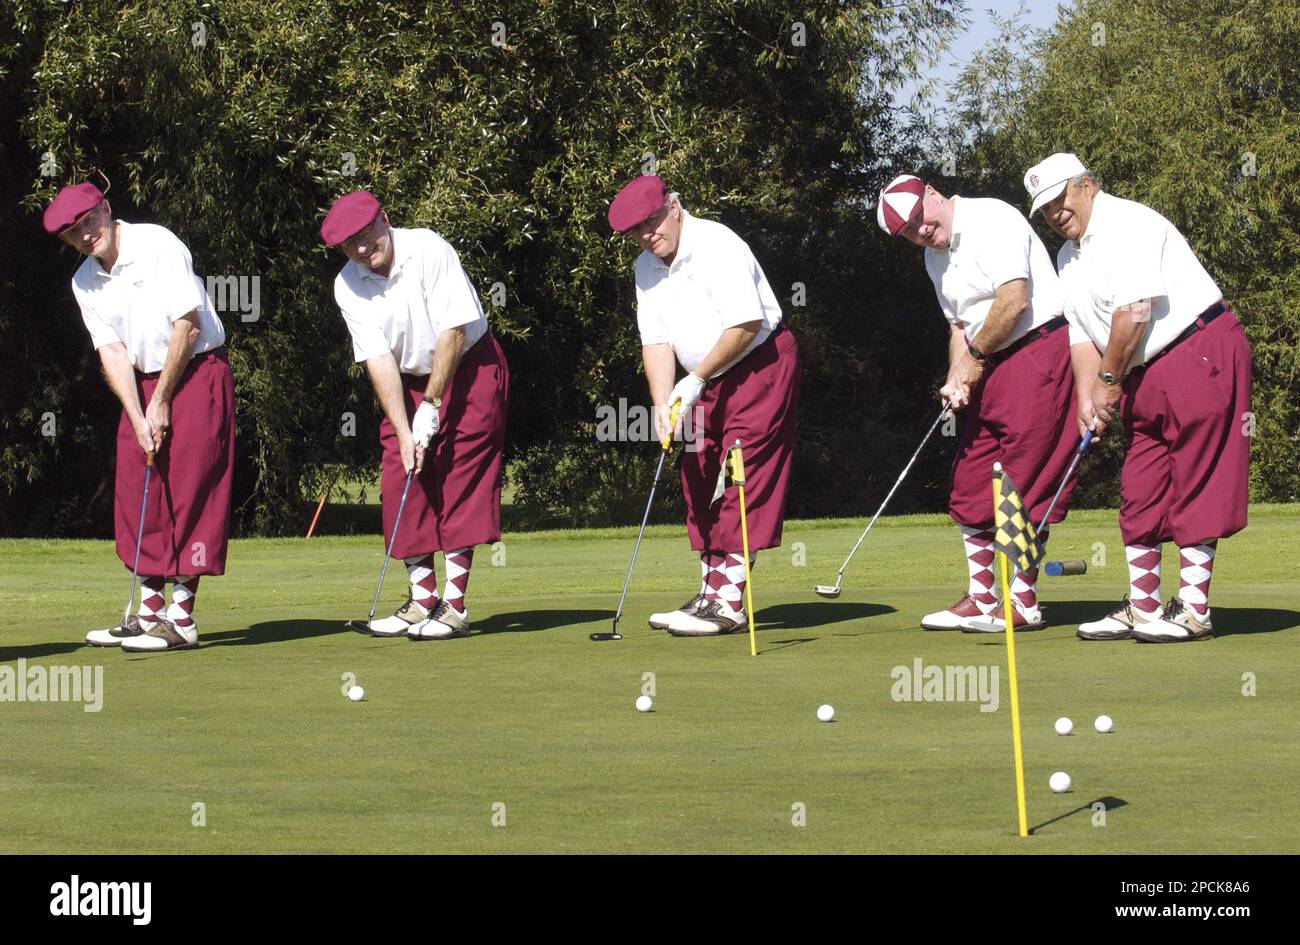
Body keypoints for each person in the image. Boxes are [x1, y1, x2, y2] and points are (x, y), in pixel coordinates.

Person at [1024, 153, 1252, 643]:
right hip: (1141, 371)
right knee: (1141, 486)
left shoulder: (1128, 222)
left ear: (1088, 184)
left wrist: (1107, 381)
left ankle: (1193, 611)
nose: (1055, 213)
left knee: (1198, 475)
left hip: (1198, 349)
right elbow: (1082, 336)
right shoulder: (1068, 257)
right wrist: (1088, 398)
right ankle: (1144, 606)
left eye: (1061, 199)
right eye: (1045, 208)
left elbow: (1134, 313)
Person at [876, 174, 1078, 632]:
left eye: (918, 220)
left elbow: (1014, 301)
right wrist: (955, 377)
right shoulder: (934, 258)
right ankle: (983, 597)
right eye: (907, 233)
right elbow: (958, 327)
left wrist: (974, 360)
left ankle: (1023, 601)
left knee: (1026, 479)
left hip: (1036, 352)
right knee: (970, 481)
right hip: (989, 365)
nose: (919, 232)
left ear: (932, 195)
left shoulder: (992, 218)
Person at [44, 182, 234, 652]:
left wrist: (163, 398)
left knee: (191, 491)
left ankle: (182, 618)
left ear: (105, 210)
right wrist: (135, 412)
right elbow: (111, 350)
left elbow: (187, 325)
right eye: (73, 232)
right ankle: (150, 614)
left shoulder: (157, 244)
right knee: (138, 492)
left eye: (89, 221)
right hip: (142, 382)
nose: (85, 235)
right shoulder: (83, 280)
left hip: (196, 372)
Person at [607, 175, 799, 636]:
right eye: (637, 231)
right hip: (702, 381)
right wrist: (661, 405)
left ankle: (730, 603)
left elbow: (746, 324)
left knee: (742, 475)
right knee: (696, 475)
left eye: (652, 222)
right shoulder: (645, 268)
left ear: (674, 206)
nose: (648, 235)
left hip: (759, 366)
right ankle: (710, 591)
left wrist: (694, 378)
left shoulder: (717, 244)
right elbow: (655, 341)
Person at [322, 190, 508, 640]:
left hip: (469, 367)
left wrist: (431, 404)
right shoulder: (347, 284)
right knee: (401, 471)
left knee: (461, 478)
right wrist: (405, 428)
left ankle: (454, 607)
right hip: (406, 380)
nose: (364, 250)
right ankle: (422, 599)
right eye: (352, 245)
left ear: (384, 219)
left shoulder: (429, 248)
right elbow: (378, 358)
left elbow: (454, 331)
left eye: (367, 236)